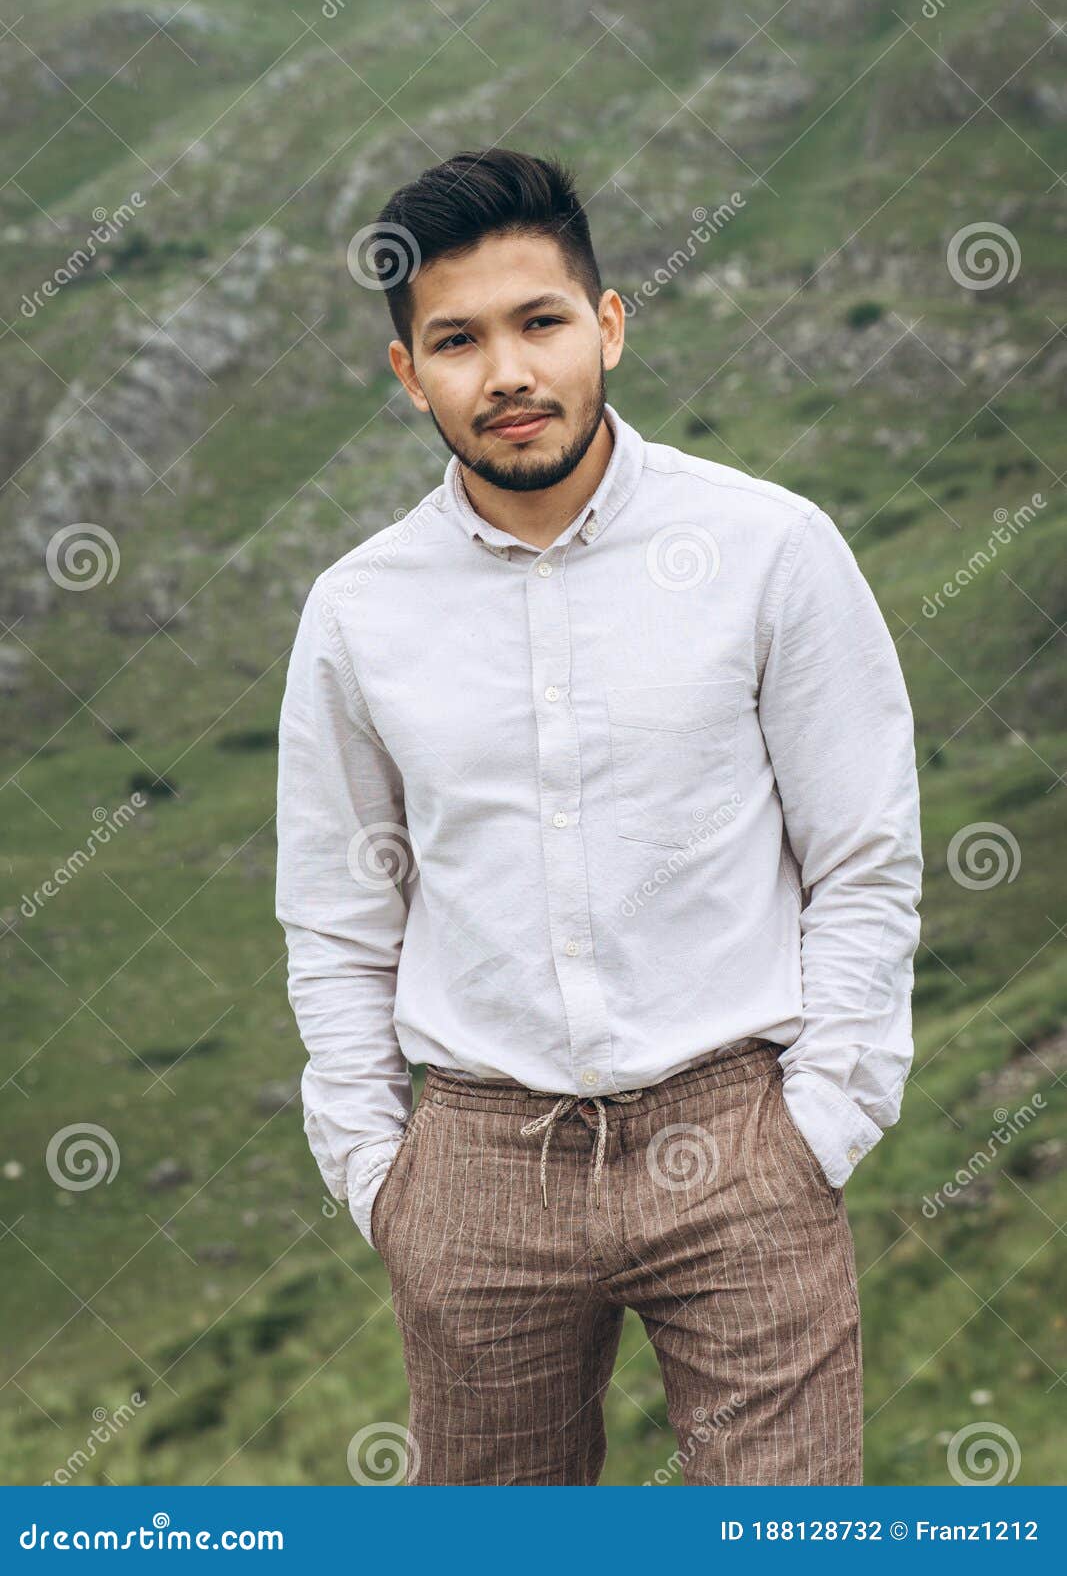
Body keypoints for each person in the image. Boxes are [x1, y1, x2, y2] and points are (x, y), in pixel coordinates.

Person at [274, 146, 923, 1486]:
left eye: (540, 322)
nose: (506, 373)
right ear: (410, 374)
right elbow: (339, 914)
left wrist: (824, 1120)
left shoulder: (769, 549)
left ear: (609, 326)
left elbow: (861, 854)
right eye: (456, 340)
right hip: (475, 1157)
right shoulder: (358, 611)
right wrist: (378, 1173)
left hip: (741, 1135)